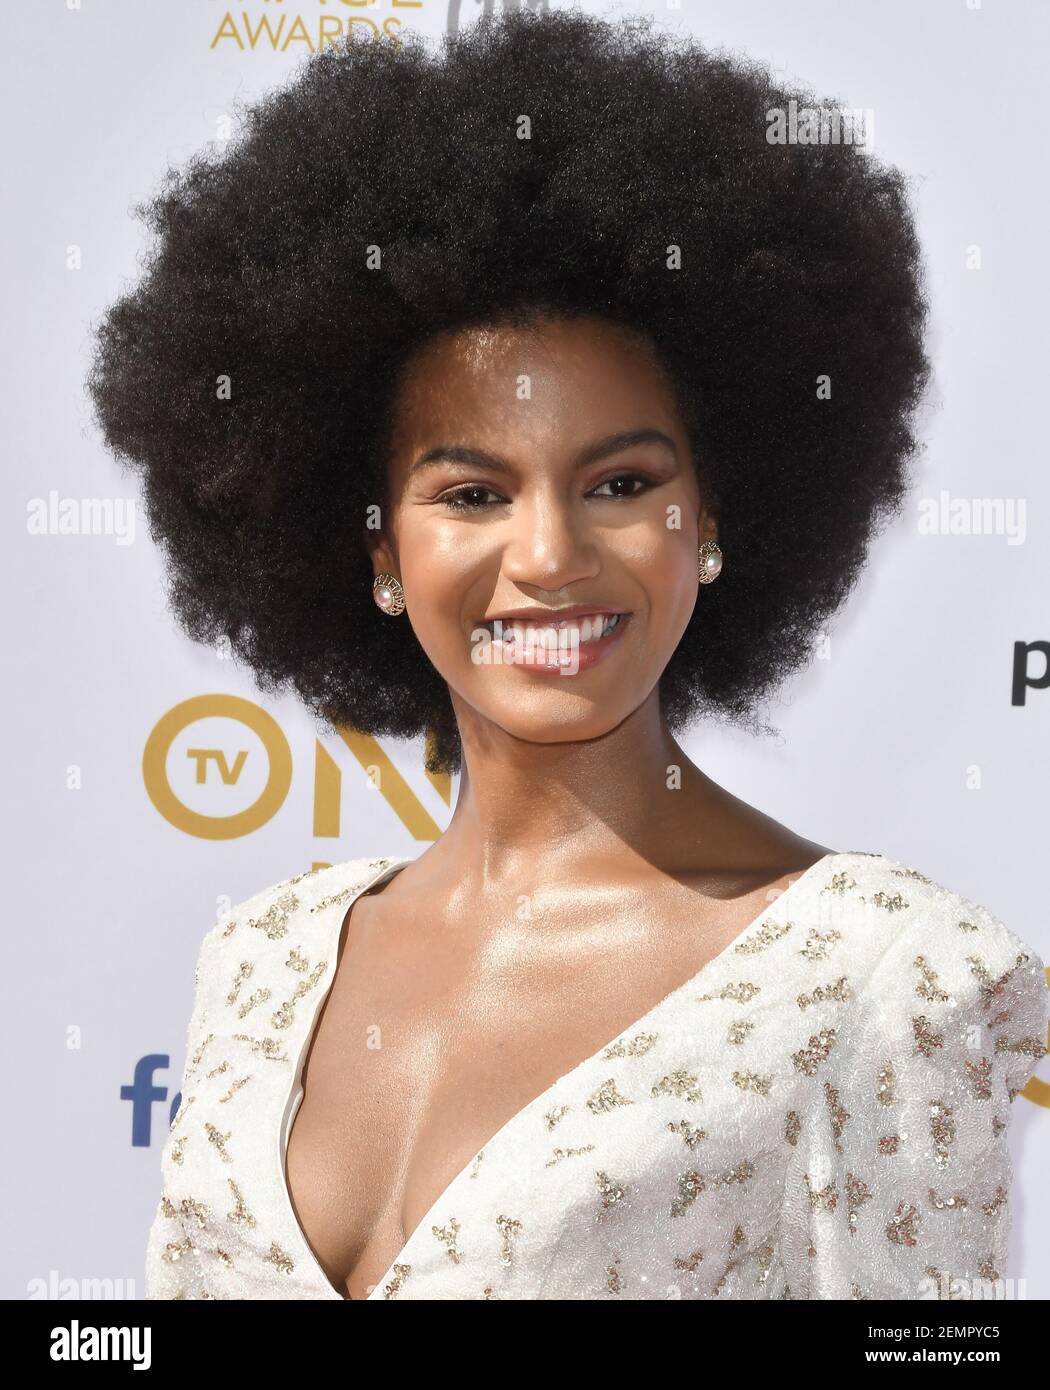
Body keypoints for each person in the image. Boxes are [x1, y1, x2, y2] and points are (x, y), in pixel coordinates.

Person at [86, 10, 1047, 1300]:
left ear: (711, 519)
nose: (546, 555)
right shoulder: (261, 961)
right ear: (375, 547)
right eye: (471, 493)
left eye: (620, 482)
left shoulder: (890, 979)